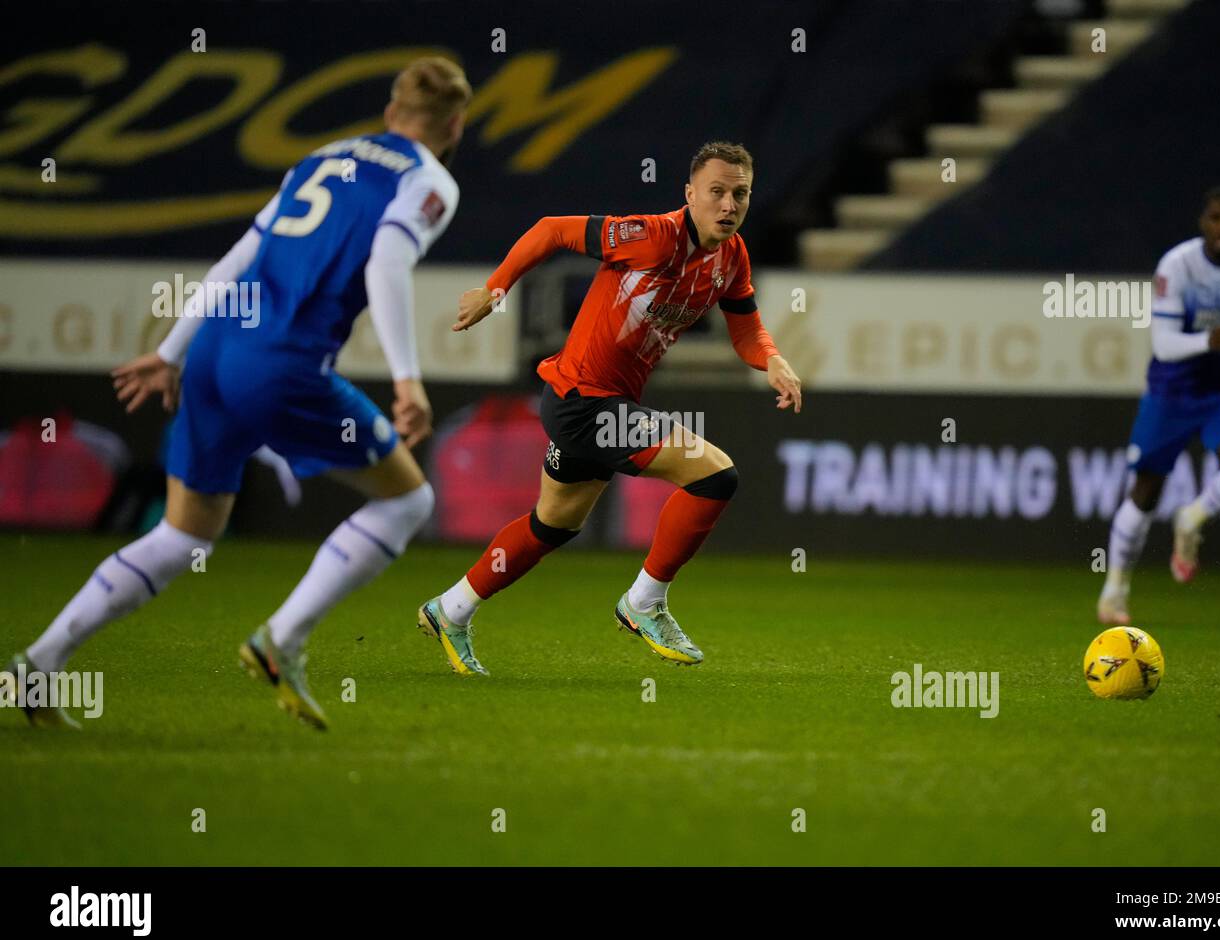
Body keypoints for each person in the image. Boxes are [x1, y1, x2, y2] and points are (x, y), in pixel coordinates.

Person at [3, 57, 471, 729]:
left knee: (181, 535)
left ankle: (39, 664)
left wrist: (171, 353)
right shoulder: (428, 181)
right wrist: (407, 378)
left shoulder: (321, 158)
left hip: (217, 349)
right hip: (279, 363)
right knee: (408, 500)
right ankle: (282, 639)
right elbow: (388, 261)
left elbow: (240, 256)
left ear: (391, 110)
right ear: (454, 124)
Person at [418, 141, 802, 675]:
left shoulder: (731, 257)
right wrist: (495, 289)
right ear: (689, 195)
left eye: (740, 194)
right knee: (715, 475)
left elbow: (746, 331)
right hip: (584, 402)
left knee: (551, 525)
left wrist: (774, 360)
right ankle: (643, 603)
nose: (728, 205)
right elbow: (552, 228)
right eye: (716, 192)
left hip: (599, 404)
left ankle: (450, 609)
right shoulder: (651, 237)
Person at [1098, 186, 1220, 625]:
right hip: (1170, 393)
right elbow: (1163, 345)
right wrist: (1208, 340)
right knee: (1146, 493)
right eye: (1216, 219)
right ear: (1203, 223)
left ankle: (1192, 517)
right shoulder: (1178, 266)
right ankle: (1114, 591)